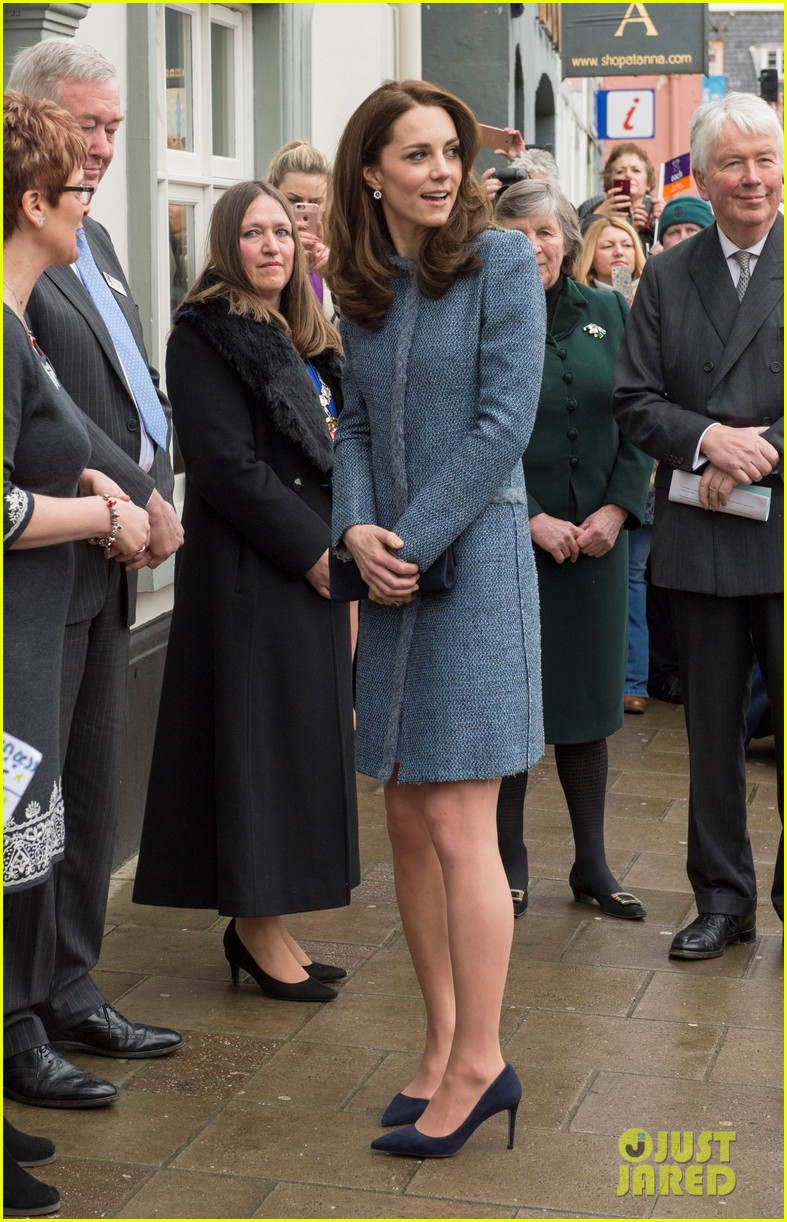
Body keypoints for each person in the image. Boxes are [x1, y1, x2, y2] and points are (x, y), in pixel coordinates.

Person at [327, 79, 545, 1158]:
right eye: (414, 154)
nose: (441, 170)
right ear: (370, 173)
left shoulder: (500, 262)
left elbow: (504, 426)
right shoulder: (362, 284)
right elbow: (355, 430)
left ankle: (481, 1062)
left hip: (477, 573)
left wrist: (401, 543)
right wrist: (354, 529)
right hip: (395, 578)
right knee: (407, 816)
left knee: (461, 823)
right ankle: (440, 1043)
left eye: (450, 151)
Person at [5, 39, 184, 1109]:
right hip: (47, 573)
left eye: (117, 127)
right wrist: (129, 501)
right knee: (29, 807)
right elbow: (49, 412)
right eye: (90, 128)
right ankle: (19, 1020)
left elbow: (127, 378)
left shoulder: (97, 235)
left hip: (107, 559)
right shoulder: (24, 251)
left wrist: (151, 488)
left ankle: (68, 987)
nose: (107, 148)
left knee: (83, 797)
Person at [132, 182, 359, 1001]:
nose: (272, 246)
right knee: (261, 753)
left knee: (299, 750)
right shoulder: (205, 333)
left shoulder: (306, 333)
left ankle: (271, 921)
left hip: (314, 564)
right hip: (254, 576)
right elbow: (226, 468)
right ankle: (255, 928)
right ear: (227, 244)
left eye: (283, 232)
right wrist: (312, 552)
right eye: (254, 233)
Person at [613, 92, 783, 958]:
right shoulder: (667, 275)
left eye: (764, 160)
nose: (750, 178)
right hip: (701, 534)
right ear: (703, 178)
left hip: (777, 529)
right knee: (711, 734)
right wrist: (709, 440)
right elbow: (633, 400)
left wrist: (760, 451)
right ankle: (722, 899)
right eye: (732, 164)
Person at [493, 179, 652, 918]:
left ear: (567, 240)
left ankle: (592, 864)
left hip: (596, 548)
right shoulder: (481, 318)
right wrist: (529, 518)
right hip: (509, 547)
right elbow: (471, 433)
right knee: (513, 704)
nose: (533, 247)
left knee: (587, 706)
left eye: (545, 232)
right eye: (516, 234)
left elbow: (639, 416)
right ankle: (507, 862)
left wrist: (618, 508)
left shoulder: (609, 311)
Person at [626, 195, 715, 713]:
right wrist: (705, 442)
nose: (683, 240)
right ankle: (654, 673)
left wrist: (750, 448)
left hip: (753, 484)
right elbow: (635, 395)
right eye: (673, 232)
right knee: (653, 579)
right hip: (665, 470)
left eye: (691, 231)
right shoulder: (656, 288)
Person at [266, 138, 336, 319]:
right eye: (294, 200)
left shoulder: (337, 253)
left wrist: (336, 281)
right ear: (273, 194)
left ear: (326, 202)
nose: (305, 211)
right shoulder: (255, 247)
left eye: (315, 202)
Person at [577, 141, 664, 246]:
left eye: (636, 170)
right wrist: (598, 215)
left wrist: (664, 222)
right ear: (610, 181)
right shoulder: (591, 207)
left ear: (648, 183)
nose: (628, 175)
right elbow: (575, 244)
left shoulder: (658, 210)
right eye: (620, 171)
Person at [576, 215, 646, 298]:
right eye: (608, 246)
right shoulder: (578, 298)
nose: (619, 252)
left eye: (627, 245)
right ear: (590, 256)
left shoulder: (652, 294)